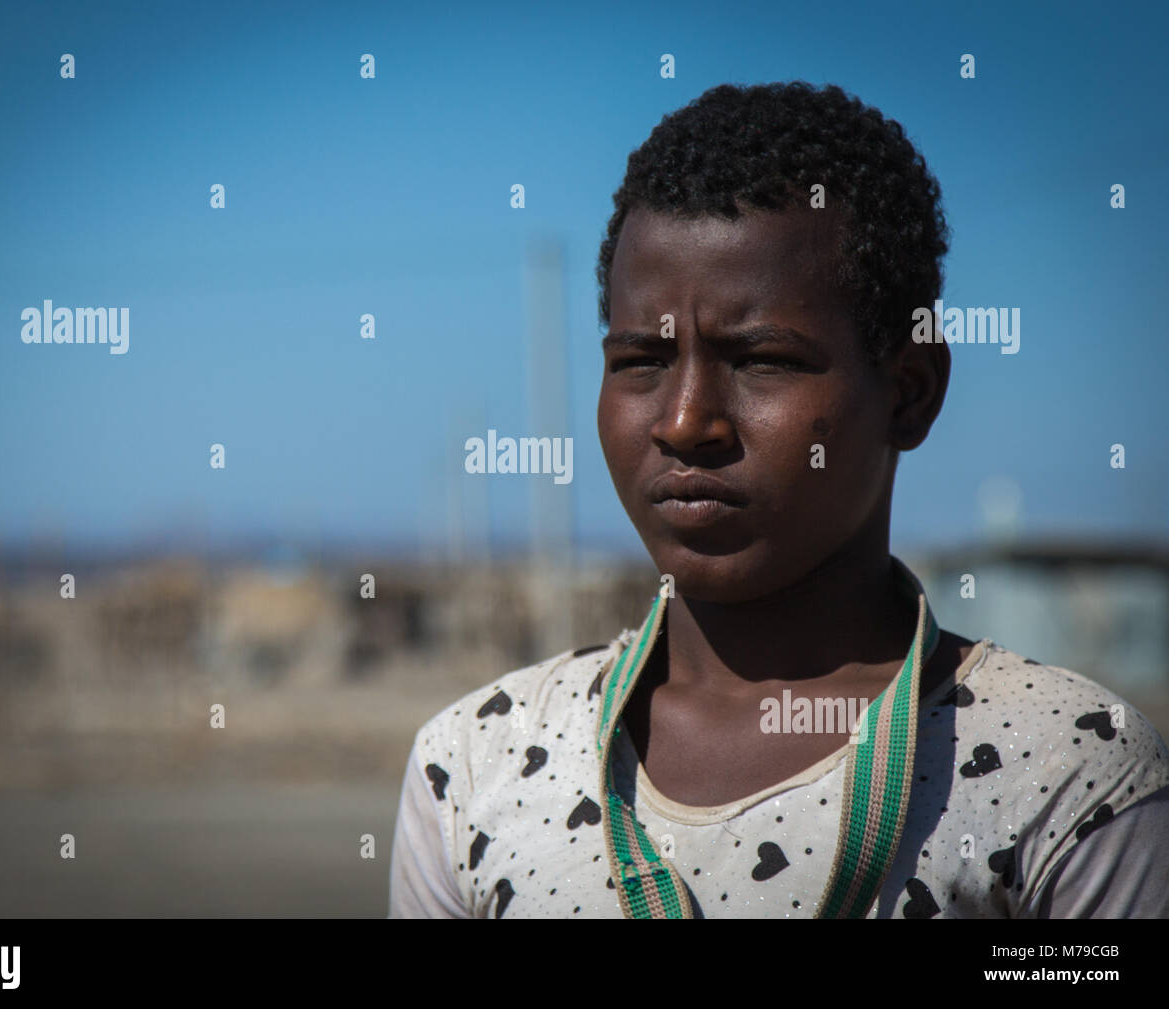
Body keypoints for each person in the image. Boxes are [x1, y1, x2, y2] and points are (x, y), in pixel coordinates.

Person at [387, 81, 1169, 918]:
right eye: (640, 361)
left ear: (909, 391)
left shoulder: (1068, 773)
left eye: (761, 358)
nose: (686, 422)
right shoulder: (478, 765)